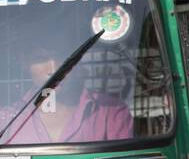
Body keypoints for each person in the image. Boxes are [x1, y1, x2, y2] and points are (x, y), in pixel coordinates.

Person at [0, 42, 133, 146]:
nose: (53, 70)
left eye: (62, 57)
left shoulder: (110, 112)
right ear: (25, 63)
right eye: (40, 59)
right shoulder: (7, 119)